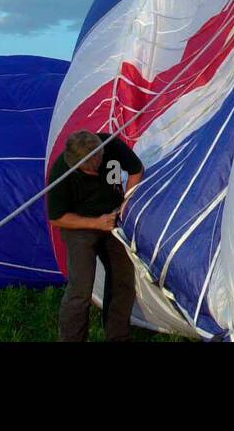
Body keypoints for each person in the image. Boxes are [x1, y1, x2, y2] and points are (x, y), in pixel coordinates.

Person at [47, 130, 145, 342]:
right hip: (80, 226)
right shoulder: (60, 173)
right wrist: (95, 223)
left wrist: (124, 205)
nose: (96, 169)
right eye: (89, 169)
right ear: (75, 165)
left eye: (98, 161)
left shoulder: (110, 143)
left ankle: (118, 336)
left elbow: (136, 170)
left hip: (111, 218)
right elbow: (57, 217)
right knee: (80, 288)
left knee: (123, 280)